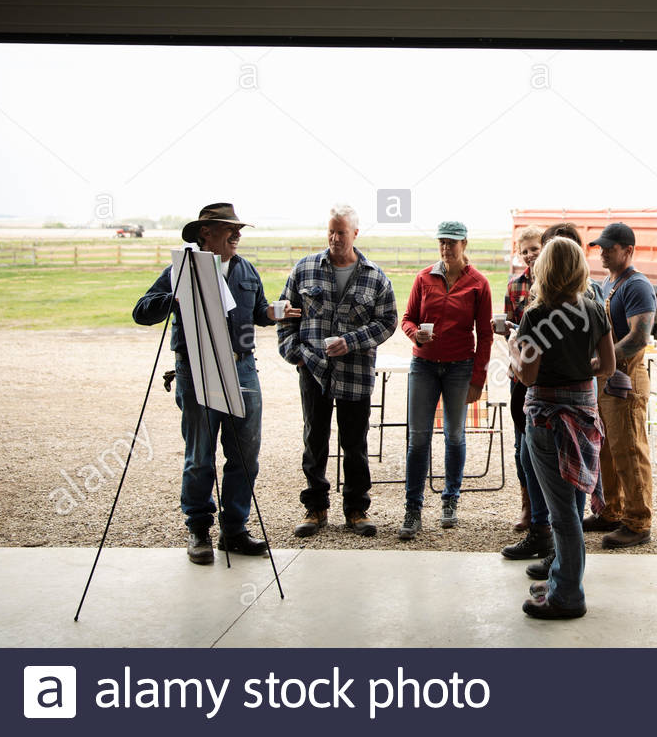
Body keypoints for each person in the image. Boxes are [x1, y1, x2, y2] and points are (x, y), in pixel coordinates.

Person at [132, 203, 291, 564]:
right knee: (200, 455)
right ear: (205, 232)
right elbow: (141, 311)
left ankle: (234, 531)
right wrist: (174, 298)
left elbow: (257, 312)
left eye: (239, 229)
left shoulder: (246, 269)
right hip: (196, 369)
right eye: (229, 228)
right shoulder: (181, 269)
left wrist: (272, 313)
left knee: (245, 455)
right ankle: (199, 531)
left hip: (243, 368)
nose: (238, 234)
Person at [509, 237, 615, 619]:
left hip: (547, 419)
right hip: (584, 417)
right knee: (571, 505)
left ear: (545, 270)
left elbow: (528, 375)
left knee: (561, 514)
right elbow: (607, 366)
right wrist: (579, 369)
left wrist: (513, 350)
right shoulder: (594, 310)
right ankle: (562, 579)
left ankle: (567, 595)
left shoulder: (536, 316)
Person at [278, 205, 397, 539]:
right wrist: (296, 354)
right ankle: (315, 508)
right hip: (313, 371)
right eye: (330, 231)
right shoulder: (304, 269)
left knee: (355, 443)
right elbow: (286, 315)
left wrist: (351, 342)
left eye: (341, 232)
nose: (334, 238)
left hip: (356, 374)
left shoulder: (375, 276)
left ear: (355, 233)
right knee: (314, 439)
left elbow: (388, 322)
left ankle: (356, 510)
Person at [398, 220, 493, 539]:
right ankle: (413, 508)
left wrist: (478, 379)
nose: (446, 247)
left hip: (459, 368)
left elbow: (485, 334)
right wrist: (415, 335)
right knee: (418, 438)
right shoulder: (424, 277)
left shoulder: (478, 283)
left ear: (464, 244)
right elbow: (407, 319)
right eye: (442, 241)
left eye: (452, 242)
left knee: (454, 435)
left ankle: (450, 499)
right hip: (423, 366)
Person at [586, 221, 657, 548]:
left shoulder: (637, 286)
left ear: (628, 250)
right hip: (607, 379)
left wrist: (603, 359)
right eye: (600, 247)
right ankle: (612, 511)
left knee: (629, 450)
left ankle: (638, 522)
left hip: (626, 379)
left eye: (609, 248)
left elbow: (639, 337)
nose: (602, 253)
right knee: (608, 450)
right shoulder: (607, 283)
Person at [498, 225, 544, 534]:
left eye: (534, 249)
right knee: (520, 444)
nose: (529, 255)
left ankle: (547, 509)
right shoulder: (514, 286)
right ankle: (527, 505)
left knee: (544, 443)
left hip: (546, 374)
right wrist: (505, 331)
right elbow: (511, 331)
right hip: (520, 371)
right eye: (524, 251)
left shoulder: (552, 282)